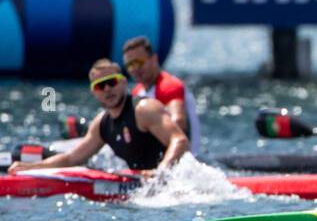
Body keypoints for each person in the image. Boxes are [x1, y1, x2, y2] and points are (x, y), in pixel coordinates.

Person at [8, 60, 190, 174]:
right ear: (94, 93)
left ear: (123, 82)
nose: (107, 89)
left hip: (182, 180)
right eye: (100, 86)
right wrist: (29, 168)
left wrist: (161, 172)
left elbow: (180, 140)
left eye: (111, 82)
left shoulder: (143, 109)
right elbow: (72, 159)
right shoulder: (101, 123)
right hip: (144, 183)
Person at [123, 35, 202, 155]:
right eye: (130, 65)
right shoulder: (137, 92)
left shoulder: (169, 85)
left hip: (188, 160)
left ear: (154, 59)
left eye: (139, 62)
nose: (135, 68)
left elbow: (178, 122)